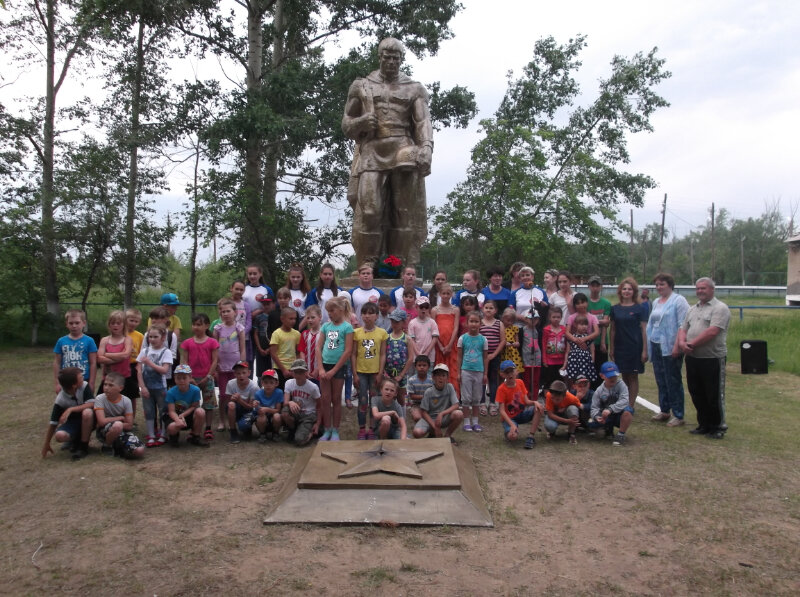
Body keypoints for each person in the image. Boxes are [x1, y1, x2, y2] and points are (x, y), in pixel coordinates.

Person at [342, 37, 432, 267]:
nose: (391, 62)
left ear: (401, 60)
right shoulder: (362, 85)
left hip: (403, 148)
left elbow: (422, 123)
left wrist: (427, 148)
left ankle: (396, 264)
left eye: (396, 58)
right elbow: (346, 125)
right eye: (387, 57)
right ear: (379, 57)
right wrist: (362, 121)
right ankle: (368, 263)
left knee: (403, 210)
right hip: (373, 150)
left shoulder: (414, 88)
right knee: (370, 210)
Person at [676, 277, 731, 439]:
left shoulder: (720, 308)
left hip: (712, 358)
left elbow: (713, 331)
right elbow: (683, 328)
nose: (700, 291)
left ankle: (718, 426)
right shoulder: (692, 309)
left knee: (713, 393)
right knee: (696, 392)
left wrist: (690, 344)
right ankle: (704, 424)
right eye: (698, 288)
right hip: (693, 358)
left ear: (712, 290)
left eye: (703, 288)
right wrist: (681, 343)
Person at [647, 273, 690, 427]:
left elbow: (682, 325)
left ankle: (678, 414)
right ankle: (664, 410)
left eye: (662, 284)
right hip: (656, 343)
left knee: (673, 380)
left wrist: (677, 345)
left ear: (670, 285)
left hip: (671, 344)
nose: (659, 287)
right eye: (657, 285)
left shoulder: (679, 301)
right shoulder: (657, 301)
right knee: (660, 379)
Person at [317, 296, 354, 441]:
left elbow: (348, 351)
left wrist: (334, 370)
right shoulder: (325, 326)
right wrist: (320, 368)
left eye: (332, 311)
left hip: (338, 367)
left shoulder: (347, 327)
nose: (330, 314)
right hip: (325, 366)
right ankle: (327, 429)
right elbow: (318, 348)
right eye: (328, 311)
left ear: (340, 310)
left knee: (336, 398)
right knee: (325, 398)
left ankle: (335, 430)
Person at [609, 277, 648, 409]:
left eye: (629, 289)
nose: (627, 291)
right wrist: (612, 348)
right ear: (620, 291)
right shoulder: (615, 309)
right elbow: (613, 329)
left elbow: (644, 330)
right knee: (624, 375)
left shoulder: (640, 308)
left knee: (633, 376)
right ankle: (625, 402)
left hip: (634, 347)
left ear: (634, 291)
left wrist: (645, 350)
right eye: (624, 289)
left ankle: (630, 405)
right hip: (620, 346)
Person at [180, 313, 219, 440]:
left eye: (199, 324)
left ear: (207, 325)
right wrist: (189, 377)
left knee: (209, 404)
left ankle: (208, 428)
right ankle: (194, 428)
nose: (196, 327)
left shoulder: (212, 342)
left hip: (207, 378)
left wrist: (208, 376)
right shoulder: (187, 343)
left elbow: (214, 361)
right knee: (193, 405)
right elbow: (184, 360)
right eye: (194, 324)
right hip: (191, 379)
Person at [352, 302, 388, 439]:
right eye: (364, 313)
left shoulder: (382, 333)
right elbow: (353, 354)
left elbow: (383, 354)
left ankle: (372, 428)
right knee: (362, 401)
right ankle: (362, 428)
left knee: (374, 400)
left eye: (370, 313)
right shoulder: (356, 333)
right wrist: (354, 374)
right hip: (360, 372)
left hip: (375, 373)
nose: (367, 316)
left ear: (376, 316)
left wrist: (380, 373)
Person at [41, 367, 95, 460]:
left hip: (90, 421)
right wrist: (47, 443)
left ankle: (83, 447)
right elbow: (53, 423)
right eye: (80, 377)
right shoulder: (60, 399)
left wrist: (71, 409)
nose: (83, 377)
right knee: (59, 436)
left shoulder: (84, 386)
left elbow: (92, 403)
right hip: (73, 423)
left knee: (87, 412)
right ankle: (75, 440)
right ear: (74, 385)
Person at [136, 325, 173, 448]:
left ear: (162, 338)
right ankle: (151, 435)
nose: (152, 339)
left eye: (155, 337)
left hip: (160, 387)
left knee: (163, 410)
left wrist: (150, 363)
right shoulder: (144, 351)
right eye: (150, 337)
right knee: (149, 411)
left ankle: (163, 434)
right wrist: (142, 387)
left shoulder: (166, 352)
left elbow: (164, 370)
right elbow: (139, 370)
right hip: (147, 387)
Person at [93, 371, 145, 458]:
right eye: (105, 384)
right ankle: (107, 446)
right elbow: (101, 422)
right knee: (118, 425)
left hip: (122, 431)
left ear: (120, 388)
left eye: (110, 385)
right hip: (104, 431)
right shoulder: (100, 398)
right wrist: (120, 418)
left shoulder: (126, 401)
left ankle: (119, 448)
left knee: (140, 450)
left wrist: (119, 425)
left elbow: (129, 425)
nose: (106, 388)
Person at [213, 297, 246, 432]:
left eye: (228, 311)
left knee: (237, 394)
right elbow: (214, 348)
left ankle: (237, 418)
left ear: (235, 312)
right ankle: (222, 420)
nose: (225, 314)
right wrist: (215, 364)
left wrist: (242, 364)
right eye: (223, 311)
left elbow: (243, 347)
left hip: (235, 366)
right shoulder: (217, 328)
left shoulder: (239, 328)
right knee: (223, 395)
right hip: (222, 367)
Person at [496, 359, 543, 449]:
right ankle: (510, 431)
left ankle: (531, 436)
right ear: (502, 374)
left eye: (511, 371)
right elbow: (502, 411)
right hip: (509, 418)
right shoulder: (501, 389)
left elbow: (527, 401)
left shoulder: (520, 382)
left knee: (539, 407)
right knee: (512, 437)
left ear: (516, 371)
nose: (510, 374)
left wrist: (535, 402)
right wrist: (512, 424)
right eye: (507, 372)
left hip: (521, 413)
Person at [413, 364, 463, 440]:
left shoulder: (450, 387)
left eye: (443, 375)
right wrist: (435, 427)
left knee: (458, 414)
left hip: (444, 417)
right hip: (430, 418)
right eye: (438, 375)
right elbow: (424, 412)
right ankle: (432, 433)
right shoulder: (428, 392)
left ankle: (447, 436)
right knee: (417, 433)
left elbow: (456, 405)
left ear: (447, 378)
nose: (441, 378)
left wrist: (442, 413)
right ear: (433, 377)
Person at [53, 309, 97, 396]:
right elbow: (57, 363)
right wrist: (57, 383)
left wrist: (91, 383)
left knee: (85, 405)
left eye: (77, 323)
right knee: (67, 405)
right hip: (66, 380)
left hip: (84, 379)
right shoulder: (61, 341)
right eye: (71, 323)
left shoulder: (89, 341)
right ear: (66, 324)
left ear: (83, 323)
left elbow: (93, 363)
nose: (74, 326)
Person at [164, 364, 209, 448]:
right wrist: (178, 420)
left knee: (200, 411)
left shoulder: (195, 390)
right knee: (172, 426)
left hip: (188, 415)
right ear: (175, 379)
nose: (181, 381)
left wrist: (183, 415)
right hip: (174, 416)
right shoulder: (170, 392)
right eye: (178, 378)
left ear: (190, 378)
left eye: (184, 378)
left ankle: (196, 436)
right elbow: (171, 411)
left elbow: (194, 406)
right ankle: (173, 437)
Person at [589, 361, 634, 446]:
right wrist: (597, 417)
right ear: (602, 376)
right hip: (606, 416)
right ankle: (607, 428)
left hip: (618, 414)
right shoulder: (599, 391)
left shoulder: (621, 385)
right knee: (591, 423)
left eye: (614, 375)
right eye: (609, 376)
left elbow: (625, 400)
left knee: (628, 411)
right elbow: (594, 408)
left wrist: (611, 409)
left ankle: (621, 435)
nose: (613, 378)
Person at [457, 311, 488, 432]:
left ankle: (475, 421)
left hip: (479, 371)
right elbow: (459, 356)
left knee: (476, 397)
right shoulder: (462, 338)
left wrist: (485, 373)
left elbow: (485, 357)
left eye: (476, 321)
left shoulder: (483, 340)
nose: (474, 324)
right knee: (466, 398)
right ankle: (466, 421)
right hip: (466, 370)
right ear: (467, 323)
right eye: (471, 321)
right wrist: (458, 372)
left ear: (480, 323)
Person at [281, 359, 322, 446]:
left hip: (309, 414)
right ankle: (292, 430)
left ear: (306, 372)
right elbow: (285, 402)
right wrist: (290, 402)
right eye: (296, 372)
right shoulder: (288, 383)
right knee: (285, 411)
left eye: (301, 372)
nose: (299, 375)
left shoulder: (313, 387)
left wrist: (318, 423)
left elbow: (319, 406)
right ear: (292, 373)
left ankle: (311, 431)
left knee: (299, 441)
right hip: (297, 411)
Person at [96, 311, 133, 397]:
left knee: (127, 402)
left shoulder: (127, 339)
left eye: (118, 323)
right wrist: (119, 357)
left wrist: (106, 354)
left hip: (124, 377)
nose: (115, 325)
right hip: (108, 378)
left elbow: (125, 355)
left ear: (124, 325)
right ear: (109, 325)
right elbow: (99, 358)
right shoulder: (104, 340)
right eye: (113, 323)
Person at [432, 283, 460, 393]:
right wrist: (440, 345)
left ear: (451, 295)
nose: (445, 296)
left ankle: (454, 394)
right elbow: (433, 328)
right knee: (439, 368)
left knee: (453, 368)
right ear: (440, 294)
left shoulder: (455, 309)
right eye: (443, 293)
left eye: (448, 293)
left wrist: (449, 345)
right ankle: (439, 393)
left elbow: (456, 328)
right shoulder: (435, 310)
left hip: (451, 344)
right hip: (439, 344)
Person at [480, 300, 506, 417]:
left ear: (495, 310)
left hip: (494, 356)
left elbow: (503, 341)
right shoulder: (479, 323)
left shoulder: (499, 323)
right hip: (481, 356)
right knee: (482, 379)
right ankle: (481, 403)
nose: (488, 310)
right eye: (486, 307)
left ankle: (492, 403)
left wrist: (494, 354)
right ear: (483, 309)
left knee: (493, 379)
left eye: (491, 308)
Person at [384, 308, 415, 406]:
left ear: (403, 322)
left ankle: (402, 418)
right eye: (392, 321)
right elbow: (383, 355)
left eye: (397, 322)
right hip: (388, 374)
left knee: (401, 398)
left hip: (401, 374)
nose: (394, 324)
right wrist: (384, 372)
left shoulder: (407, 339)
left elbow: (410, 358)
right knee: (388, 397)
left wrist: (401, 375)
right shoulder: (387, 337)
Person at [587, 276, 612, 387]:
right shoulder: (585, 302)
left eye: (597, 286)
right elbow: (585, 321)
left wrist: (602, 342)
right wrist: (599, 321)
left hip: (601, 340)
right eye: (593, 285)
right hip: (588, 340)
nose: (595, 288)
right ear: (589, 287)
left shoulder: (606, 303)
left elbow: (606, 323)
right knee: (589, 368)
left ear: (601, 287)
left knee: (601, 370)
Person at [226, 361, 260, 444]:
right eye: (238, 373)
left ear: (249, 373)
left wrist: (239, 400)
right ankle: (233, 431)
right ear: (234, 374)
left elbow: (251, 407)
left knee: (244, 427)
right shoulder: (230, 383)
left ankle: (246, 428)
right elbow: (228, 401)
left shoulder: (254, 386)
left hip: (249, 410)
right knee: (231, 405)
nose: (241, 375)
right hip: (236, 408)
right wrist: (232, 399)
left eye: (244, 373)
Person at [269, 307, 301, 389]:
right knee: (280, 392)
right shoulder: (276, 334)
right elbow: (273, 353)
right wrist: (283, 370)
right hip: (279, 368)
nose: (293, 321)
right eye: (290, 318)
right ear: (282, 319)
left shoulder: (297, 334)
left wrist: (295, 367)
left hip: (293, 369)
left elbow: (298, 353)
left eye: (295, 319)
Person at [543, 380, 581, 444]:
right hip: (554, 415)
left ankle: (571, 433)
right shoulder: (548, 395)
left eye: (558, 399)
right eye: (552, 398)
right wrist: (567, 421)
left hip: (566, 414)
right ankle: (552, 432)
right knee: (550, 426)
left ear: (564, 396)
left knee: (573, 409)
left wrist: (566, 408)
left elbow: (578, 407)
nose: (554, 401)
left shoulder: (571, 398)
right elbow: (550, 414)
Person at [564, 314, 596, 386]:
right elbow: (567, 351)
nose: (584, 326)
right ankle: (572, 392)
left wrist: (592, 361)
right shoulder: (571, 337)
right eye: (581, 324)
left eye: (586, 324)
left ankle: (585, 392)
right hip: (573, 361)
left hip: (585, 361)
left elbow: (592, 351)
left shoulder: (588, 337)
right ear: (575, 325)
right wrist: (566, 362)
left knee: (585, 378)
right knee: (572, 377)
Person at [253, 369, 284, 442]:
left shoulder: (279, 392)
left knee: (277, 416)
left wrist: (267, 409)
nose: (268, 385)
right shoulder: (258, 394)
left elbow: (278, 410)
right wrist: (256, 405)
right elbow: (258, 411)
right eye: (266, 382)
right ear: (262, 383)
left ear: (276, 383)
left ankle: (276, 433)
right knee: (261, 417)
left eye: (271, 382)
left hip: (273, 418)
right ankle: (262, 434)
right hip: (263, 417)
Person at [541, 307, 566, 391]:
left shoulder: (564, 329)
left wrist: (566, 360)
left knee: (559, 377)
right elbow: (544, 344)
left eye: (558, 317)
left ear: (561, 317)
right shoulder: (546, 329)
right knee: (549, 378)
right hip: (550, 359)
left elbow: (566, 344)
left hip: (561, 359)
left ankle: (560, 393)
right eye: (554, 317)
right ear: (550, 318)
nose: (556, 319)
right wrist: (544, 359)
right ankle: (548, 394)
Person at [408, 296, 439, 361]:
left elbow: (435, 338)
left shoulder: (432, 322)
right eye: (421, 307)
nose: (423, 309)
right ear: (416, 307)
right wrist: (418, 353)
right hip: (416, 357)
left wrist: (427, 352)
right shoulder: (412, 323)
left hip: (429, 357)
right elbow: (411, 340)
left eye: (426, 307)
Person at [230, 280, 253, 364]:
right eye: (237, 289)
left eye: (241, 290)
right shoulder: (226, 303)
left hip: (244, 338)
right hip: (230, 339)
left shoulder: (246, 305)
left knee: (244, 362)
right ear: (231, 289)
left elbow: (249, 322)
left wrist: (241, 333)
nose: (239, 291)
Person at [124, 308, 143, 410]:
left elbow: (141, 353)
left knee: (132, 395)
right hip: (121, 365)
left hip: (133, 366)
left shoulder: (140, 336)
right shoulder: (120, 333)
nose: (133, 323)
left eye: (136, 321)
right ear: (125, 319)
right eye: (131, 320)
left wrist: (138, 367)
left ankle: (132, 418)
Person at [252, 291, 275, 378]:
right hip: (261, 348)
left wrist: (270, 348)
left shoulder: (275, 316)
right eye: (264, 304)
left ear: (273, 304)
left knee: (272, 371)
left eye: (268, 304)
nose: (266, 306)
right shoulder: (259, 317)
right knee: (261, 372)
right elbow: (255, 333)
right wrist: (259, 348)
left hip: (273, 348)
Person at [520, 309, 542, 397]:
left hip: (537, 358)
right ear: (526, 319)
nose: (533, 321)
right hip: (526, 358)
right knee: (526, 380)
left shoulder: (539, 331)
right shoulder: (522, 330)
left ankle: (535, 398)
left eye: (535, 319)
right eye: (530, 319)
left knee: (536, 380)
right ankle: (526, 398)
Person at [406, 355, 433, 427]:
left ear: (428, 367)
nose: (422, 367)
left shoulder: (432, 380)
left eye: (424, 365)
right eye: (419, 365)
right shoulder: (411, 380)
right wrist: (425, 396)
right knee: (417, 417)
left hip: (430, 404)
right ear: (415, 367)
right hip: (416, 405)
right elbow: (412, 396)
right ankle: (420, 425)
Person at [298, 304, 322, 383]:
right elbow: (302, 352)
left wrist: (318, 369)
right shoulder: (304, 334)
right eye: (308, 318)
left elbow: (325, 353)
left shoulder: (324, 334)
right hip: (306, 372)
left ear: (320, 317)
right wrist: (304, 368)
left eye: (313, 317)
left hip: (320, 371)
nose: (310, 320)